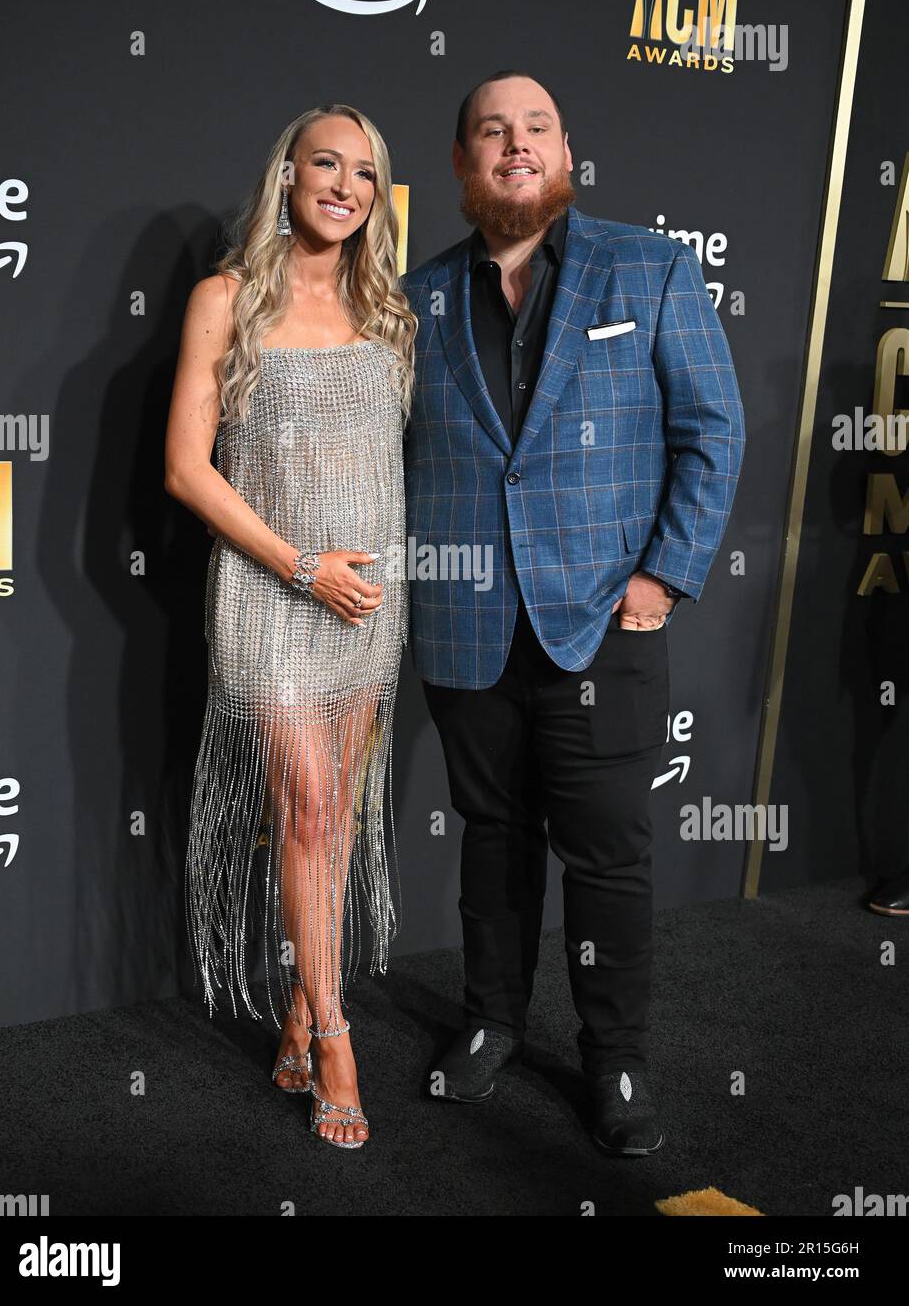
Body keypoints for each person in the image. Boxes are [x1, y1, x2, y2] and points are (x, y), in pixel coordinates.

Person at [401, 70, 745, 1154]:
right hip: (465, 628)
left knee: (606, 857)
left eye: (536, 127)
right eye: (491, 131)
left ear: (565, 151)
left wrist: (663, 575)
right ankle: (491, 1021)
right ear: (460, 165)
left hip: (604, 623)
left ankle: (615, 1061)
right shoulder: (416, 299)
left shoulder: (647, 267)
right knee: (493, 842)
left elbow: (713, 430)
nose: (515, 144)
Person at [164, 104, 416, 1148]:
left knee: (334, 820)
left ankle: (304, 1010)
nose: (346, 187)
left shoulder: (388, 308)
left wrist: (348, 576)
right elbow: (186, 469)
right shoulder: (225, 298)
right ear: (287, 175)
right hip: (271, 594)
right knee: (305, 806)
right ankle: (339, 1036)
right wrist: (298, 563)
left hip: (364, 603)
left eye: (364, 173)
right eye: (327, 163)